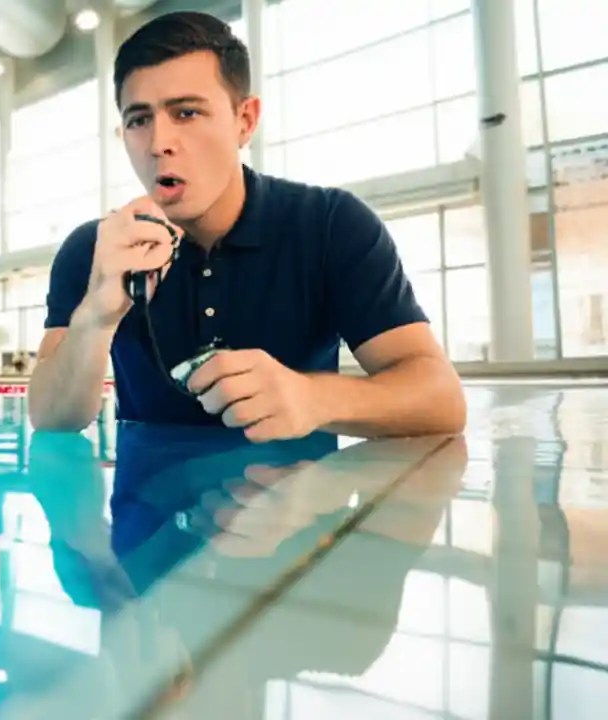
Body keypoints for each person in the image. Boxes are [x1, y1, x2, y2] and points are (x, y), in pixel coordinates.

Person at [28, 11, 466, 441]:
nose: (159, 144)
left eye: (186, 113)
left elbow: (441, 401)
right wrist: (96, 317)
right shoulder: (95, 249)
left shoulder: (330, 224)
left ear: (245, 121)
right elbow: (52, 419)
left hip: (297, 502)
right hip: (149, 507)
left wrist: (314, 398)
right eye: (139, 119)